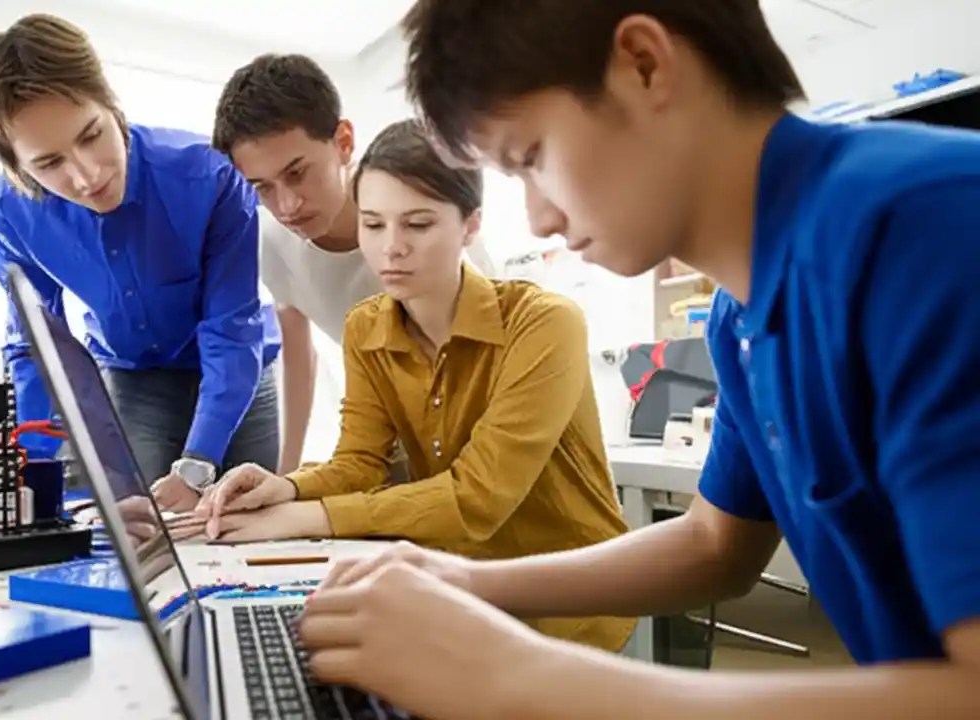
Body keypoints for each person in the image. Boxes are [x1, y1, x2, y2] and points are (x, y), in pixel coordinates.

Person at [294, 1, 980, 718]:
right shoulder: (739, 315)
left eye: (533, 159)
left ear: (644, 66)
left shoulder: (929, 229)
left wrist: (519, 674)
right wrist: (465, 584)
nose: (539, 218)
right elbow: (715, 545)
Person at [197, 119, 635, 653]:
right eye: (374, 225)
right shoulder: (365, 327)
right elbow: (360, 461)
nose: (391, 249)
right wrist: (285, 486)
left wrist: (303, 516)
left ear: (470, 226)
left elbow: (478, 498)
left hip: (570, 604)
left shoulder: (544, 323)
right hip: (457, 587)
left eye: (418, 224)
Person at [0, 14, 281, 515]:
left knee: (244, 524)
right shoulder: (6, 214)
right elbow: (38, 344)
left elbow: (230, 329)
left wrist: (198, 464)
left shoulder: (210, 176)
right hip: (134, 376)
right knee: (140, 527)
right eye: (49, 164)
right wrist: (31, 471)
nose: (86, 176)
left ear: (111, 103)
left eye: (92, 136)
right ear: (15, 166)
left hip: (242, 371)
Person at [212, 54, 496, 474]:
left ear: (343, 142)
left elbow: (490, 338)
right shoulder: (272, 240)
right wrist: (286, 471)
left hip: (480, 416)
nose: (287, 206)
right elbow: (297, 355)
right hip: (396, 429)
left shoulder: (412, 196)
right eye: (262, 187)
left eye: (297, 173)